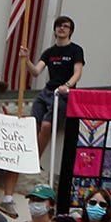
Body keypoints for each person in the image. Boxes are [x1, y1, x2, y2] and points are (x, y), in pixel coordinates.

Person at [35, 16, 87, 145]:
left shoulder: (76, 50)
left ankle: (36, 160)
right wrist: (26, 59)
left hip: (63, 94)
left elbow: (78, 73)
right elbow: (36, 72)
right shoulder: (49, 52)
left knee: (47, 126)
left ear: (70, 31)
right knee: (33, 125)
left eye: (65, 26)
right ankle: (31, 159)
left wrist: (67, 85)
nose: (61, 28)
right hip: (47, 92)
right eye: (59, 25)